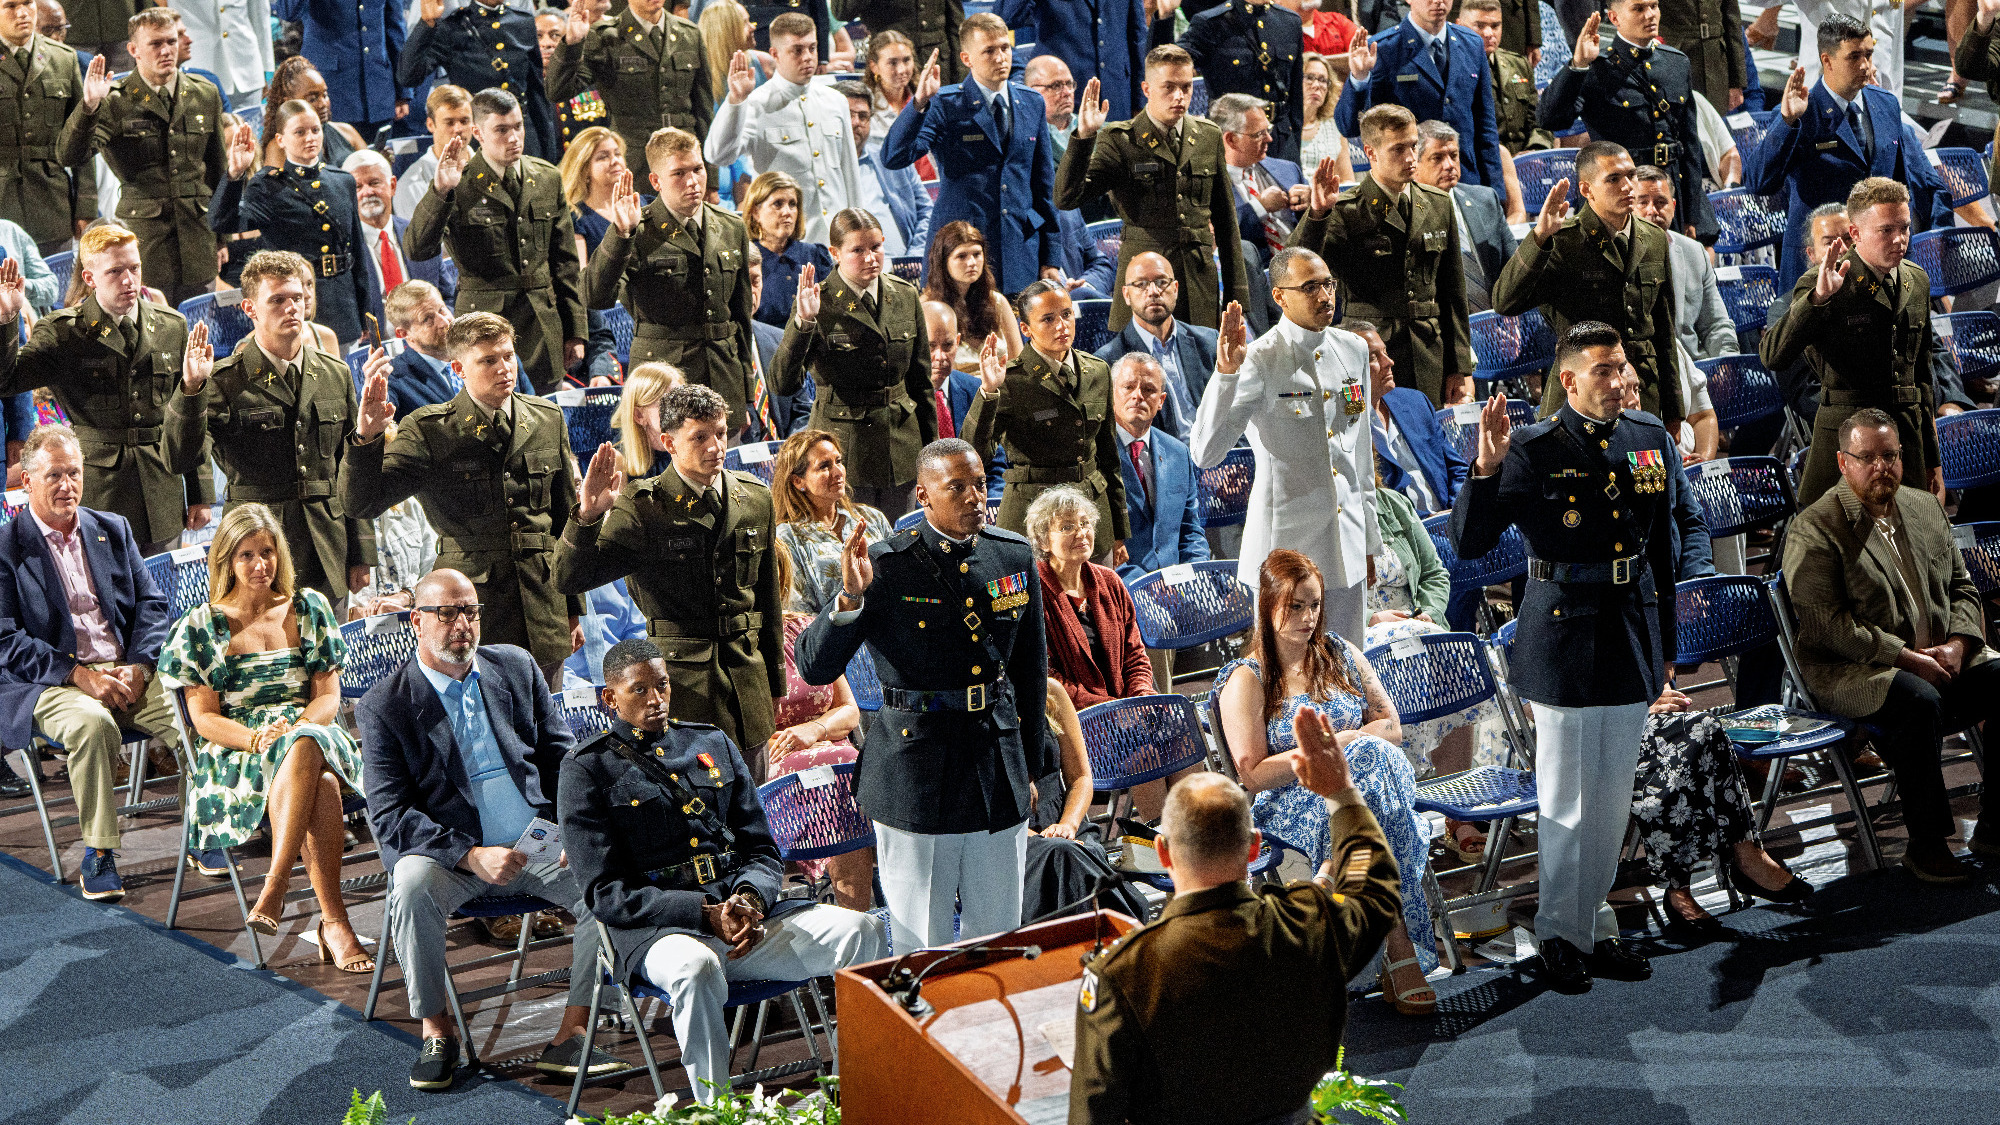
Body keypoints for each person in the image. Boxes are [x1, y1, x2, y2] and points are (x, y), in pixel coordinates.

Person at [1450, 320, 1709, 993]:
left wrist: (1666, 650)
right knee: (1566, 798)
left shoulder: (1648, 437)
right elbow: (1473, 542)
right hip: (1561, 633)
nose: (1620, 380)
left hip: (1628, 630)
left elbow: (1661, 553)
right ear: (1567, 379)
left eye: (1622, 367)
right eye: (1604, 369)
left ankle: (1592, 923)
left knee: (1612, 795)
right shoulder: (1534, 447)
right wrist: (1484, 466)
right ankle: (1556, 931)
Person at [560, 636, 885, 1105]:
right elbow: (606, 893)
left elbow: (761, 848)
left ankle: (859, 1085)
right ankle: (717, 1109)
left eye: (663, 686)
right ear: (610, 698)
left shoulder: (710, 741)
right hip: (657, 930)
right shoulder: (587, 769)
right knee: (697, 967)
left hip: (744, 918)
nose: (656, 700)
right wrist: (705, 913)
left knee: (864, 931)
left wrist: (750, 900)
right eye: (639, 691)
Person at [359, 568, 619, 1090]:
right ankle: (437, 1029)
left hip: (537, 846)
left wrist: (569, 827)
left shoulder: (515, 667)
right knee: (409, 887)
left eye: (471, 611)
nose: (463, 624)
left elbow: (562, 758)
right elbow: (390, 816)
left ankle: (574, 1030)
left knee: (611, 882)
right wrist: (469, 855)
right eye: (447, 613)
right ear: (417, 621)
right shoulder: (385, 705)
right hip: (453, 856)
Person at [793, 437, 1049, 949]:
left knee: (999, 932)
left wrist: (1030, 767)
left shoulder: (1012, 555)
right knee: (922, 937)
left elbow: (1030, 673)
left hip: (995, 765)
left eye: (979, 484)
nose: (975, 497)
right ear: (923, 496)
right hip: (917, 766)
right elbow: (816, 666)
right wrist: (848, 597)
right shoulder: (885, 566)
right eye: (957, 487)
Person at [1067, 761, 1401, 1124]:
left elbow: (1094, 1112)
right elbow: (1374, 889)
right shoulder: (1304, 925)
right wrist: (1342, 794)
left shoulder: (1126, 972)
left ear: (1162, 853)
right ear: (1255, 847)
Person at [1212, 547, 1436, 1012]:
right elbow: (1250, 773)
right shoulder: (1247, 677)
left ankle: (1334, 875)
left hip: (1361, 782)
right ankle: (1400, 949)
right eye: (1295, 606)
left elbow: (1392, 726)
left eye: (1314, 604)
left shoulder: (1340, 651)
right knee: (1372, 777)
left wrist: (1346, 745)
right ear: (1267, 604)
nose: (1307, 616)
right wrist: (1319, 756)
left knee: (1372, 758)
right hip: (1295, 796)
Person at [1783, 408, 2000, 884]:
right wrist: (1905, 658)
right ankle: (1926, 844)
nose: (1882, 467)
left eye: (1891, 456)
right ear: (1842, 462)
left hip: (1942, 658)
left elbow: (1963, 587)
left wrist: (1961, 645)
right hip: (1855, 671)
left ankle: (1995, 824)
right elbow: (1828, 626)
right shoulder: (1815, 528)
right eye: (1868, 458)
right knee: (1916, 702)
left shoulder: (1923, 506)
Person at [156, 502, 373, 969]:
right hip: (238, 748)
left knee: (306, 744)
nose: (261, 565)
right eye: (247, 555)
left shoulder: (308, 608)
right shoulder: (201, 626)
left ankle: (275, 884)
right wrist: (258, 740)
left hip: (308, 732)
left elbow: (327, 699)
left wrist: (295, 728)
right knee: (325, 787)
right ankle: (335, 923)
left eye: (268, 552)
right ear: (226, 562)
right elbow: (204, 720)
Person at [342, 312, 583, 686]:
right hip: (471, 606)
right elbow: (362, 503)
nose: (504, 368)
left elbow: (566, 521)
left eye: (508, 355)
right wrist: (367, 436)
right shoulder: (430, 429)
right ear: (458, 368)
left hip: (544, 600)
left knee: (548, 723)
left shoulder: (546, 418)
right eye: (488, 360)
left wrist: (573, 608)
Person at [556, 383, 786, 764]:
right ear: (669, 441)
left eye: (721, 434)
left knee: (751, 806)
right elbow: (569, 579)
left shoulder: (755, 497)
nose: (716, 447)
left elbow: (768, 599)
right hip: (680, 684)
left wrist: (773, 682)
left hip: (747, 681)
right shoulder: (645, 506)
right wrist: (588, 517)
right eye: (700, 437)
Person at [0, 425, 179, 900]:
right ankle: (99, 853)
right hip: (50, 681)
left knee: (196, 709)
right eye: (54, 475)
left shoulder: (111, 529)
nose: (67, 485)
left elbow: (152, 605)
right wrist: (79, 675)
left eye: (74, 473)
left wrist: (140, 667)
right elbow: (4, 640)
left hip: (123, 669)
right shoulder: (7, 547)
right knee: (93, 725)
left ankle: (207, 833)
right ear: (26, 482)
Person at [165, 250, 376, 611]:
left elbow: (349, 468)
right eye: (277, 300)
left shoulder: (334, 373)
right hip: (257, 550)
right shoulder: (224, 380)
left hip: (326, 543)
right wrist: (191, 390)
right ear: (251, 309)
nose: (291, 307)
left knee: (329, 658)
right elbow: (179, 457)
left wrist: (361, 549)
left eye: (297, 297)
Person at [1192, 251, 1376, 642]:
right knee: (1290, 680)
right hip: (1286, 549)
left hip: (1346, 542)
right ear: (1279, 296)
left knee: (1349, 670)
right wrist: (1226, 374)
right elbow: (1206, 453)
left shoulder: (1354, 350)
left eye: (1328, 283)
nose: (1325, 295)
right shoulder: (1259, 359)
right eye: (1310, 287)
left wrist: (1370, 540)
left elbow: (1359, 455)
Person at [0, 226, 213, 556]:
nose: (129, 280)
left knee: (160, 598)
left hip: (162, 489)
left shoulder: (172, 325)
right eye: (115, 271)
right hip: (99, 492)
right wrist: (6, 319)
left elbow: (187, 415)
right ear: (90, 277)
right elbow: (7, 381)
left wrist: (200, 493)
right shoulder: (63, 333)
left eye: (134, 268)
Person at [1762, 177, 1939, 509]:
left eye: (1904, 228)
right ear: (1855, 235)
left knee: (1912, 543)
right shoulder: (1823, 282)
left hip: (1905, 437)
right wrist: (1817, 299)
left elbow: (1923, 376)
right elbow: (1773, 355)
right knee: (1825, 546)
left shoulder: (1917, 280)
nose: (1899, 239)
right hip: (1846, 434)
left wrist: (1931, 456)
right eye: (1886, 230)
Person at [404, 87, 587, 396]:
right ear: (478, 132)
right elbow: (418, 248)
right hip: (484, 326)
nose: (513, 137)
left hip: (543, 326)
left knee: (547, 421)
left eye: (518, 127)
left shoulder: (546, 177)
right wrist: (441, 192)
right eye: (501, 130)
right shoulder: (459, 180)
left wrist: (576, 331)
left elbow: (565, 263)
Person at [1054, 45, 1249, 333]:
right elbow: (1067, 197)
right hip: (1144, 283)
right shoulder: (1120, 139)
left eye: (1185, 87)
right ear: (1146, 88)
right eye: (1168, 87)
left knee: (1201, 368)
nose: (1179, 96)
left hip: (1197, 282)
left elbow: (1226, 222)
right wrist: (1084, 137)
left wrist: (1236, 299)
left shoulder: (1207, 135)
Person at [1293, 104, 1474, 408]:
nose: (1409, 157)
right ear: (1371, 153)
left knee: (1426, 438)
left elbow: (1453, 292)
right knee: (1366, 438)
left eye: (1414, 146)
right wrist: (1318, 214)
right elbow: (1297, 266)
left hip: (1427, 349)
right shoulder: (1345, 209)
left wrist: (1459, 367)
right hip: (1368, 352)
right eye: (1398, 149)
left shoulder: (1437, 204)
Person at [1755, 16, 1956, 289]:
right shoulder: (1803, 111)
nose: (1865, 65)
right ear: (1827, 61)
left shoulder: (1885, 104)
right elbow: (1758, 182)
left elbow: (1900, 185)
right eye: (1854, 57)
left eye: (1868, 54)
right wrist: (1787, 122)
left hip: (1877, 270)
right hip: (1818, 272)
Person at [1495, 141, 1684, 428]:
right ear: (1586, 190)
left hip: (1642, 395)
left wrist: (1673, 412)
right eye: (1613, 179)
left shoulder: (1653, 238)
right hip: (1581, 396)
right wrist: (1540, 238)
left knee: (1645, 473)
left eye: (1630, 175)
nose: (1627, 186)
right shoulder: (1563, 240)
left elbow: (1664, 332)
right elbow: (1504, 301)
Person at [589, 127, 762, 436]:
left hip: (722, 377)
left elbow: (740, 319)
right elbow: (596, 296)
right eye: (679, 173)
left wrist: (745, 394)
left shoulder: (731, 225)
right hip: (664, 379)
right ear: (655, 181)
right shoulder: (636, 228)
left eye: (697, 169)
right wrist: (622, 235)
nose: (693, 181)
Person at [58, 8, 227, 307]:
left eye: (171, 42)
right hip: (147, 243)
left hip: (197, 236)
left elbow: (217, 171)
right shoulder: (116, 101)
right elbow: (71, 155)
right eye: (156, 44)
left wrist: (221, 236)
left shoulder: (205, 93)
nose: (167, 51)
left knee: (201, 328)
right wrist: (89, 107)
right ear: (133, 50)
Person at [883, 16, 1061, 295]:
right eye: (989, 51)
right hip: (962, 252)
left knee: (1017, 336)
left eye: (1005, 48)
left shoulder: (1031, 102)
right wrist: (919, 103)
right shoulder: (945, 103)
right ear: (967, 58)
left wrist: (1051, 256)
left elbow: (1043, 186)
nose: (1000, 57)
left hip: (1019, 249)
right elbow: (894, 157)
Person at [773, 209, 933, 514]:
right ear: (835, 253)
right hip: (845, 450)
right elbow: (783, 383)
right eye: (857, 250)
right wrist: (804, 322)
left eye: (876, 247)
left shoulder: (905, 294)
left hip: (900, 446)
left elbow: (921, 382)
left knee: (901, 542)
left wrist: (930, 455)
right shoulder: (818, 299)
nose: (870, 257)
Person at [967, 280, 1129, 561]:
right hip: (1034, 519)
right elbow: (975, 453)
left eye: (1066, 314)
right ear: (1026, 329)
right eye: (1048, 319)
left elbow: (1108, 458)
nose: (1062, 326)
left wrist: (1118, 533)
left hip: (1091, 517)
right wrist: (989, 392)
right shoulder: (1011, 380)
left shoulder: (1097, 371)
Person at [1539, 0, 1718, 244]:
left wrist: (1692, 215)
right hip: (1618, 197)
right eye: (1639, 9)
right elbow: (1550, 118)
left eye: (1654, 6)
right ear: (1614, 18)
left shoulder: (1677, 63)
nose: (1650, 15)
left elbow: (1689, 145)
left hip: (1665, 194)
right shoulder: (1597, 67)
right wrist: (1578, 66)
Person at [210, 99, 378, 347]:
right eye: (299, 132)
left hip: (343, 306)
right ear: (280, 140)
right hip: (295, 307)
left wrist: (365, 313)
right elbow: (221, 221)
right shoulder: (268, 186)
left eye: (315, 130)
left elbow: (357, 255)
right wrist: (235, 174)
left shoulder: (342, 181)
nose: (310, 138)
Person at [703, 12, 862, 245]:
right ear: (775, 54)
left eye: (812, 48)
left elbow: (850, 173)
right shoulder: (757, 103)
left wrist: (857, 235)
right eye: (797, 50)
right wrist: (736, 100)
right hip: (788, 244)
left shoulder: (836, 100)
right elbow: (717, 154)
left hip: (836, 243)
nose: (808, 57)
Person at [1338, 0, 1506, 192]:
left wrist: (1495, 191)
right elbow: (1348, 126)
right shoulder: (1383, 48)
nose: (1438, 1)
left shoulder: (1471, 43)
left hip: (1465, 181)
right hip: (1410, 185)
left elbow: (1485, 126)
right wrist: (1359, 78)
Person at [1030, 483, 1151, 707]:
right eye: (1067, 527)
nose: (1081, 533)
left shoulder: (1110, 580)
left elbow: (1135, 655)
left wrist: (1141, 695)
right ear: (1043, 541)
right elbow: (1047, 677)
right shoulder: (1033, 592)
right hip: (1072, 719)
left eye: (1085, 523)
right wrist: (1107, 708)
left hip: (1125, 710)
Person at [550, 0, 712, 164]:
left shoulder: (689, 33)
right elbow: (558, 91)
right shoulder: (604, 37)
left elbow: (703, 109)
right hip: (634, 159)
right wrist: (572, 43)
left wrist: (710, 174)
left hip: (685, 155)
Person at [398, 0, 560, 164]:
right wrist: (427, 24)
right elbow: (408, 76)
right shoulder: (453, 26)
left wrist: (547, 150)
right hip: (478, 141)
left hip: (522, 137)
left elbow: (536, 92)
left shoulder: (523, 21)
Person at [0, 0, 94, 257]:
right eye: (10, 6)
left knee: (57, 287)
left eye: (27, 3)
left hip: (52, 202)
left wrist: (85, 206)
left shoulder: (63, 58)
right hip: (2, 204)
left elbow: (81, 137)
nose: (22, 13)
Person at [1092, 251, 1218, 441]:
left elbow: (1234, 409)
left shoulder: (1208, 341)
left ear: (1175, 288)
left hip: (1223, 456)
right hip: (1165, 462)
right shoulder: (1108, 361)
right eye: (1141, 284)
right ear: (1126, 295)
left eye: (1161, 282)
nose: (1153, 291)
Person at [1165, 0, 1306, 163]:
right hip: (1232, 141)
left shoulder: (1289, 21)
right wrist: (1165, 17)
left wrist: (1294, 145)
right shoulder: (1211, 23)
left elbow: (1295, 98)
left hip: (1280, 140)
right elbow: (1166, 68)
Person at [772, 428, 895, 614]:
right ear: (798, 481)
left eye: (838, 461)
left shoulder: (870, 517)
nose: (838, 472)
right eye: (824, 466)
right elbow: (799, 616)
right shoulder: (787, 538)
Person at [1112, 351, 1209, 581]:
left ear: (1161, 401)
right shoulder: (1093, 454)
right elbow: (1096, 546)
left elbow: (1190, 530)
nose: (1138, 396)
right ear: (1111, 394)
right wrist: (1147, 588)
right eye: (1128, 387)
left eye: (1148, 390)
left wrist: (1194, 576)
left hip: (1177, 584)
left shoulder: (1178, 453)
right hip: (1122, 587)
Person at [1630, 164, 1737, 362]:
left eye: (1660, 202)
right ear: (1630, 207)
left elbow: (1715, 323)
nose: (1652, 211)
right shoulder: (1620, 254)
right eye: (1642, 202)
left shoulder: (1695, 252)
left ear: (1673, 205)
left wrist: (1726, 362)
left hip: (1692, 366)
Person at [1411, 118, 1517, 315]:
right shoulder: (1407, 212)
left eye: (1454, 155)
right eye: (1437, 158)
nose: (1449, 165)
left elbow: (1514, 268)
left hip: (1497, 319)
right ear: (1415, 166)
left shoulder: (1485, 199)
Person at [1362, 320, 1467, 514]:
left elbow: (1457, 469)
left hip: (1451, 519)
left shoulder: (1415, 402)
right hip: (1407, 535)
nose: (1389, 362)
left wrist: (1457, 512)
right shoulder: (1348, 427)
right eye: (1373, 357)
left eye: (1385, 352)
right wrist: (1431, 521)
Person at [347, 150, 456, 332]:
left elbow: (448, 296)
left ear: (392, 186)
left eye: (374, 183)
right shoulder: (344, 247)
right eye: (358, 187)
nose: (367, 192)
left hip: (430, 343)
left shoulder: (420, 233)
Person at [272, 0, 402, 137]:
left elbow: (395, 28)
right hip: (331, 93)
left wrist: (403, 91)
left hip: (379, 92)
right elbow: (288, 13)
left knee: (380, 156)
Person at [831, 83, 930, 259]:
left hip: (902, 269)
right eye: (848, 115)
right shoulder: (823, 167)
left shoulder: (892, 159)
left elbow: (926, 212)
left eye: (863, 116)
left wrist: (915, 255)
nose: (856, 123)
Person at [1215, 93, 1308, 270]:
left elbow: (1316, 228)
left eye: (1268, 130)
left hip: (1304, 268)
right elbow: (1220, 233)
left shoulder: (1288, 169)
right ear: (1231, 139)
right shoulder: (1210, 183)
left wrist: (1314, 205)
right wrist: (1258, 207)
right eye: (1259, 134)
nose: (1269, 139)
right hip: (1255, 281)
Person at [743, 170, 835, 331]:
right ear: (755, 212)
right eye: (778, 204)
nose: (787, 212)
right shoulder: (747, 259)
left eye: (792, 204)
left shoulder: (815, 255)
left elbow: (834, 312)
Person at [922, 220, 1022, 368]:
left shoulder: (996, 301)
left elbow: (1019, 361)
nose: (972, 262)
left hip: (1002, 387)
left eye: (976, 254)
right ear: (943, 262)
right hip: (955, 389)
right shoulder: (927, 307)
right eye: (962, 256)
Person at [1459, 0, 1552, 159]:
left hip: (1527, 162)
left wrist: (1536, 151)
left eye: (1495, 26)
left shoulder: (1518, 64)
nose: (1489, 33)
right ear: (1459, 26)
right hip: (1483, 162)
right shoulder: (1454, 69)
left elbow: (1539, 121)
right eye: (1480, 26)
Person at [258, 55, 367, 177]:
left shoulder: (346, 131)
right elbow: (278, 193)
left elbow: (371, 168)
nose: (323, 104)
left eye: (325, 95)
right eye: (312, 98)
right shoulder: (279, 148)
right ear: (288, 102)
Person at [392, 85, 473, 223]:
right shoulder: (410, 187)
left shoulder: (491, 167)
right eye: (450, 122)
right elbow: (416, 242)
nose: (458, 129)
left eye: (464, 121)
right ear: (430, 125)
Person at [835, 0, 960, 86]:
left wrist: (961, 75)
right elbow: (842, 12)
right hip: (889, 68)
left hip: (937, 68)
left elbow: (955, 24)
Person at [380, 281, 459, 419]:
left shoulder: (475, 351)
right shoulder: (395, 379)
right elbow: (376, 421)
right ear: (404, 333)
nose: (444, 322)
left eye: (442, 310)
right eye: (427, 319)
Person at [1656, 0, 1743, 110]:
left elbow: (1732, 22)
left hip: (1716, 66)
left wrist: (1736, 82)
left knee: (1712, 122)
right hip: (1674, 58)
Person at [1296, 52, 1358, 180]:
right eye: (1309, 77)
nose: (1316, 85)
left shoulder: (1335, 126)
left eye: (1323, 80)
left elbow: (1347, 180)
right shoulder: (1282, 125)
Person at [858, 29, 920, 156]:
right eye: (892, 63)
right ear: (874, 67)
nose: (902, 70)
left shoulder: (926, 100)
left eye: (907, 60)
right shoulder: (865, 107)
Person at [1023, 54, 1079, 163]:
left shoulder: (1097, 130)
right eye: (1056, 86)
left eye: (1069, 84)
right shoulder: (1024, 138)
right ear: (1031, 91)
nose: (1067, 92)